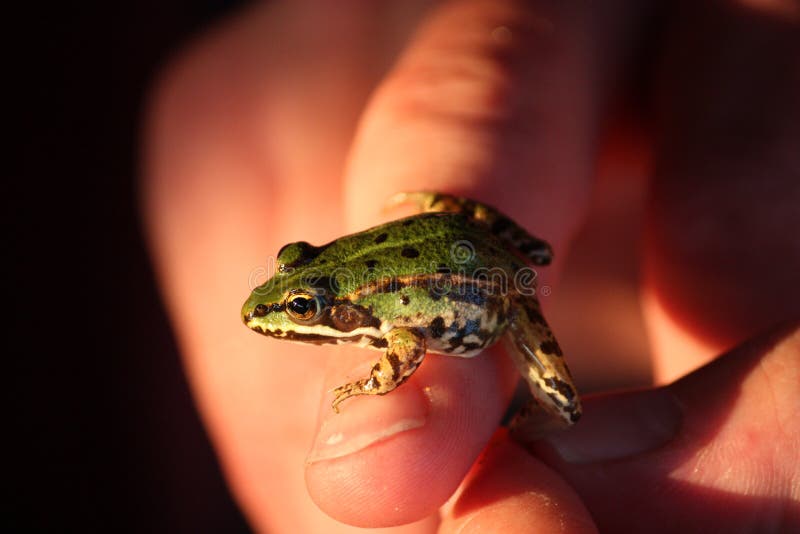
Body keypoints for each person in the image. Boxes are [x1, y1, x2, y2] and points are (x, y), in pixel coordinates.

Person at [142, 1, 799, 531]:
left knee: (561, 408)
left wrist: (368, 384)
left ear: (339, 306)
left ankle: (554, 414)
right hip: (459, 228)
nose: (282, 308)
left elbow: (401, 352)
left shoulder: (385, 322)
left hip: (500, 298)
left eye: (303, 307)